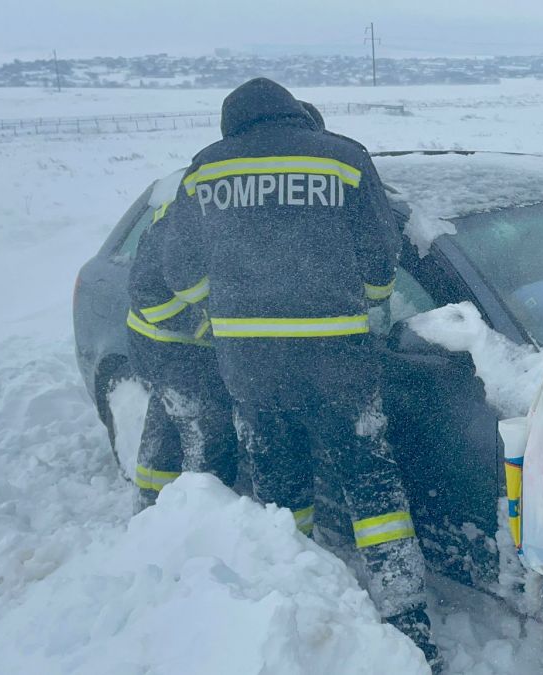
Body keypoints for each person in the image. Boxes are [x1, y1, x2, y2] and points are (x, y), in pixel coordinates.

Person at [160, 78, 441, 670]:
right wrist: (361, 299)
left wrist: (223, 306)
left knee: (279, 478)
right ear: (293, 112)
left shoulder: (203, 170)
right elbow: (379, 255)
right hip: (336, 352)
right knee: (370, 478)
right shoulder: (341, 156)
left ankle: (294, 606)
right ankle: (407, 617)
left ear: (231, 124)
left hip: (251, 360)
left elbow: (178, 265)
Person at [125, 173, 238, 511]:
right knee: (207, 435)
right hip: (168, 343)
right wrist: (203, 323)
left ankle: (149, 505)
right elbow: (146, 288)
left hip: (179, 346)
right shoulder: (187, 212)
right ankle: (198, 517)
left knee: (165, 430)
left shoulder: (218, 200)